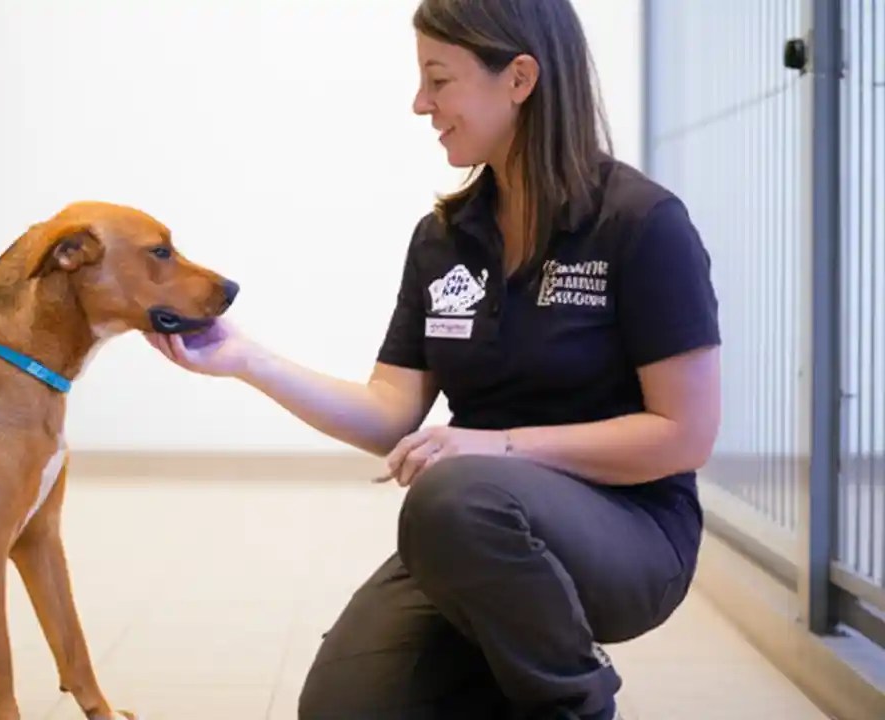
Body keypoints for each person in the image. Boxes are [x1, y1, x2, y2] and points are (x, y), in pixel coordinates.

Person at [145, 0, 722, 717]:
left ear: (519, 78)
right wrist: (245, 360)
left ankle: (574, 705)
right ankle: (506, 668)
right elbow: (392, 412)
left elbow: (684, 435)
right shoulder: (445, 238)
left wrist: (497, 447)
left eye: (438, 79)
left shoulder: (640, 224)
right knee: (343, 707)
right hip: (476, 529)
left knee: (453, 494)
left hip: (631, 533)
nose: (422, 104)